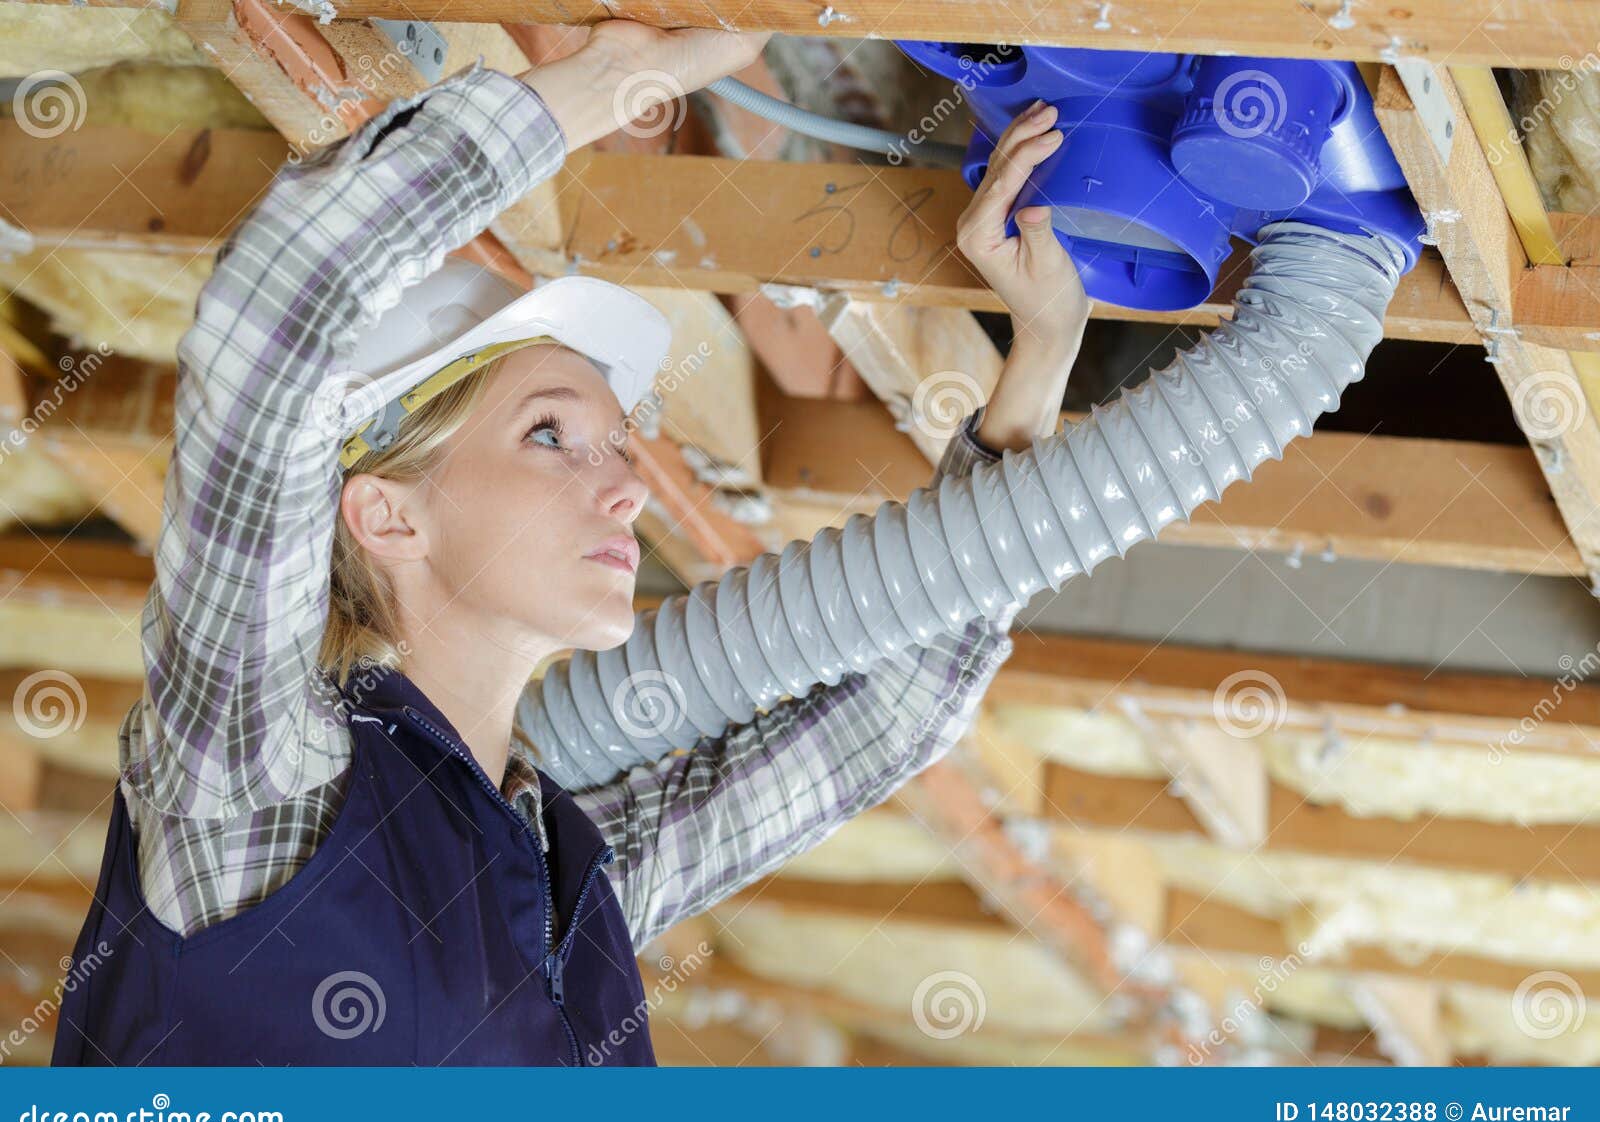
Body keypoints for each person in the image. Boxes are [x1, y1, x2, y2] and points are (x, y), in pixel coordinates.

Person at [51, 21, 1089, 1066]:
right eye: (561, 435)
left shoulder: (262, 778)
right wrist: (1043, 352)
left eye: (566, 434)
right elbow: (893, 715)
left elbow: (276, 307)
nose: (631, 486)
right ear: (385, 514)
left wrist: (615, 78)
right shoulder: (555, 882)